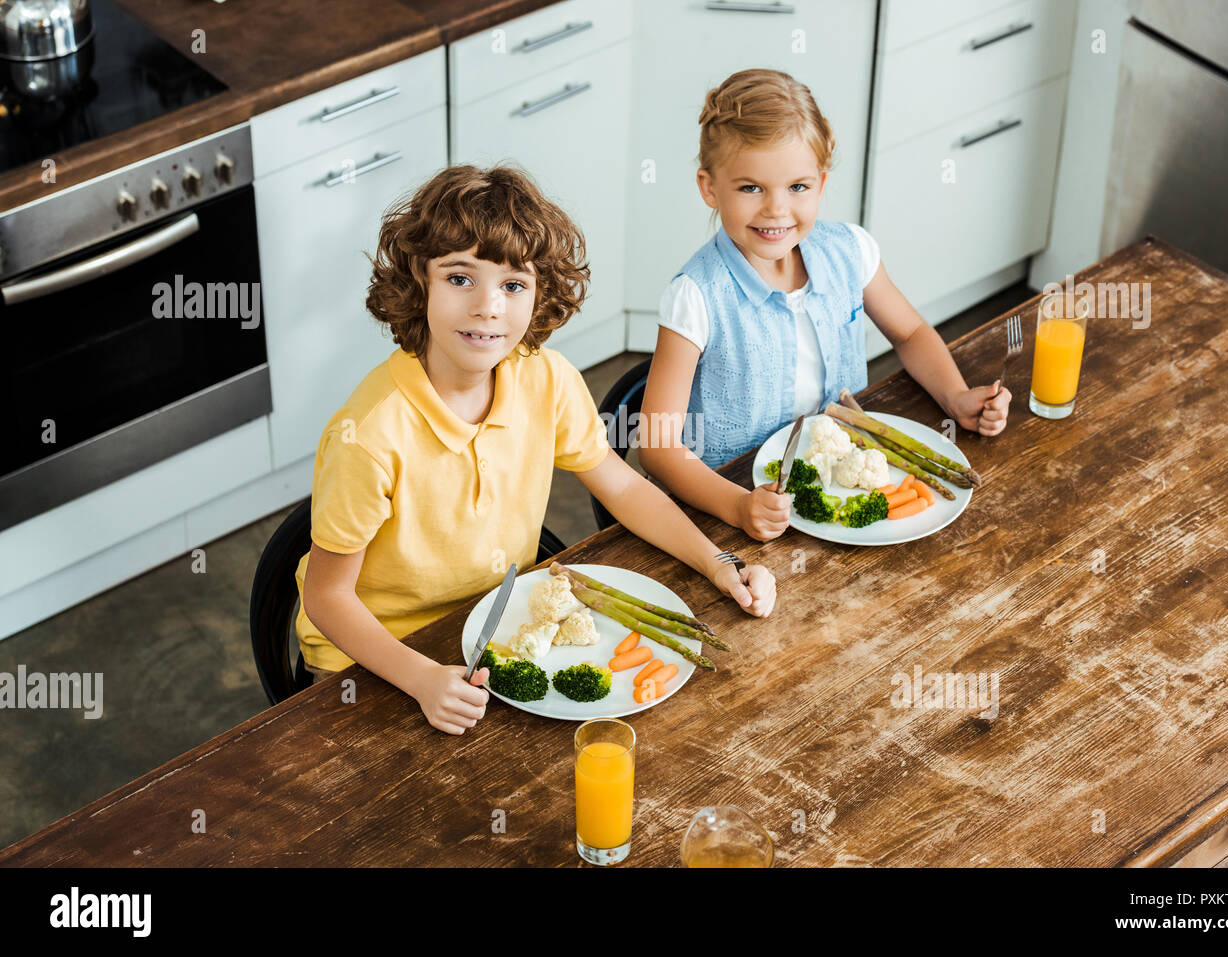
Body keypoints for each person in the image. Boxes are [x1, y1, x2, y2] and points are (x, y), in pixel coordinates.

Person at [296, 165, 776, 735]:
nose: (487, 307)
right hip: (375, 658)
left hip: (495, 622)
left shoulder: (544, 378)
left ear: (538, 294)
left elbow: (621, 486)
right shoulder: (370, 435)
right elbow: (327, 598)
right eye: (459, 278)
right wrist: (422, 677)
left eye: (513, 285)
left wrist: (719, 564)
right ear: (416, 282)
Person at [638, 69, 1012, 542]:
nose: (777, 210)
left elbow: (910, 333)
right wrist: (737, 505)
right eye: (751, 188)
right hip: (729, 505)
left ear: (821, 182)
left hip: (837, 487)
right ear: (710, 188)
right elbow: (657, 447)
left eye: (797, 187)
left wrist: (955, 397)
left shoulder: (849, 251)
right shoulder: (697, 295)